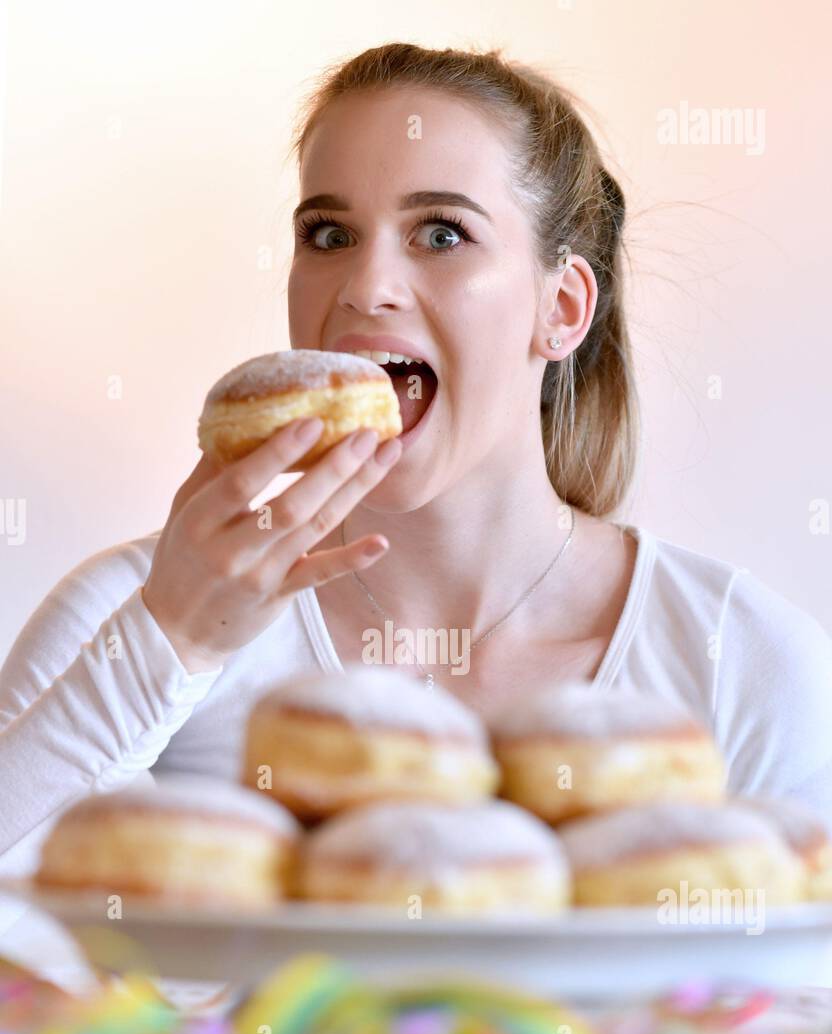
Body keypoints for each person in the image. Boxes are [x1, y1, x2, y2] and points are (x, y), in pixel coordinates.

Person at [2, 40, 832, 880]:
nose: (367, 287)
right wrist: (167, 642)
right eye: (329, 234)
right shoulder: (133, 612)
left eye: (441, 232)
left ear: (564, 307)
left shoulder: (743, 660)